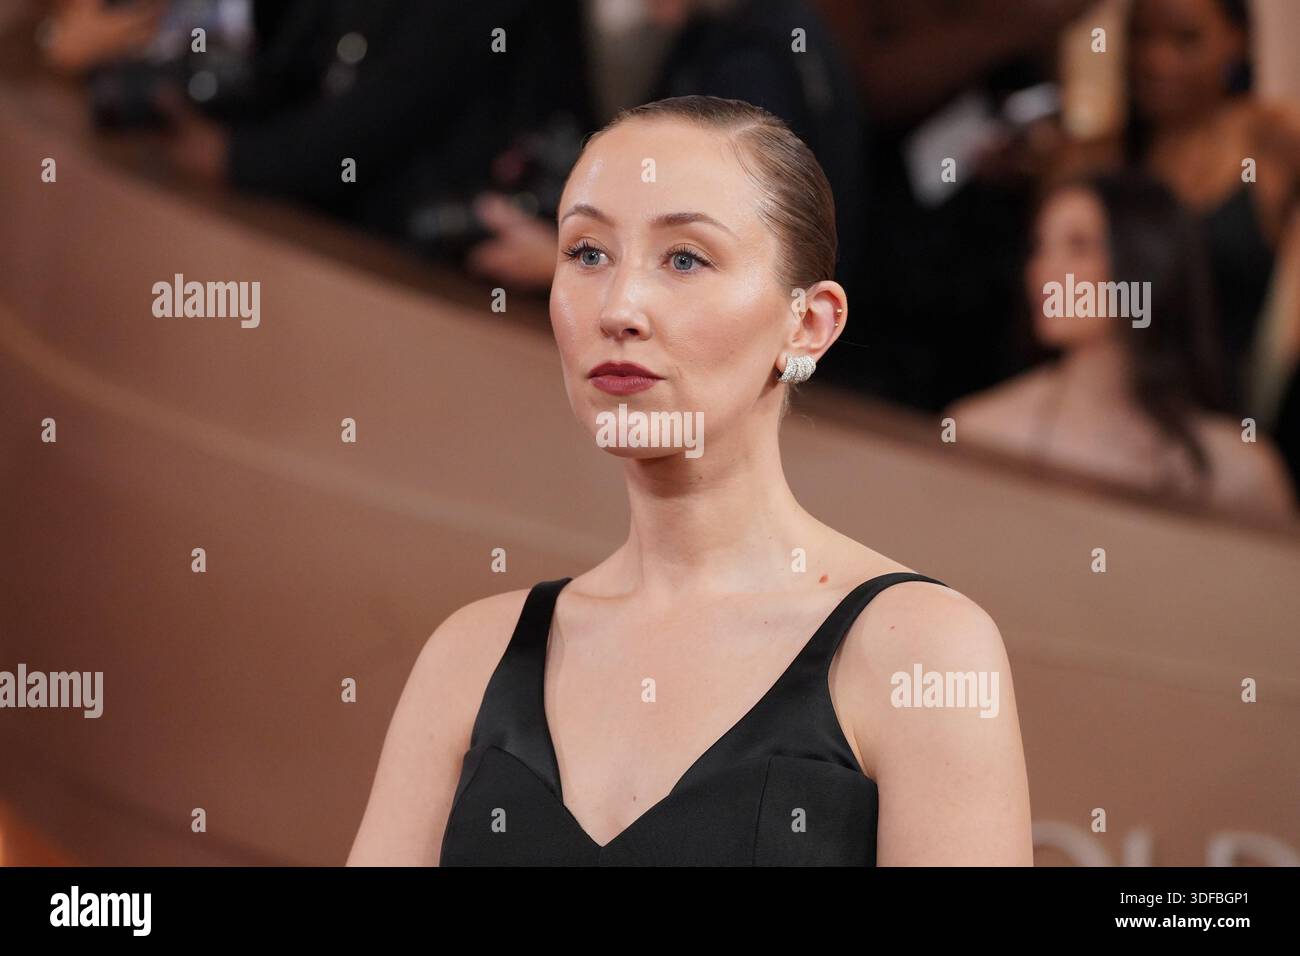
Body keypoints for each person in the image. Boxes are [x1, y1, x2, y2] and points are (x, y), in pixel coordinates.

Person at [348, 95, 1032, 866]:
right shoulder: (470, 656)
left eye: (684, 259)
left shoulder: (921, 652)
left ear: (807, 325)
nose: (620, 307)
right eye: (586, 253)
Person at [944, 170, 1295, 518]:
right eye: (1039, 247)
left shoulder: (1239, 470)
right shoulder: (981, 430)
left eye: (1078, 245)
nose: (1044, 270)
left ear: (1145, 261)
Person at [1057, 0, 1300, 415]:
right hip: (1096, 415)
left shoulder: (1271, 145)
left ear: (1236, 42)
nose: (1156, 59)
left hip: (1223, 420)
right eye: (1140, 36)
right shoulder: (1089, 160)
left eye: (1185, 39)